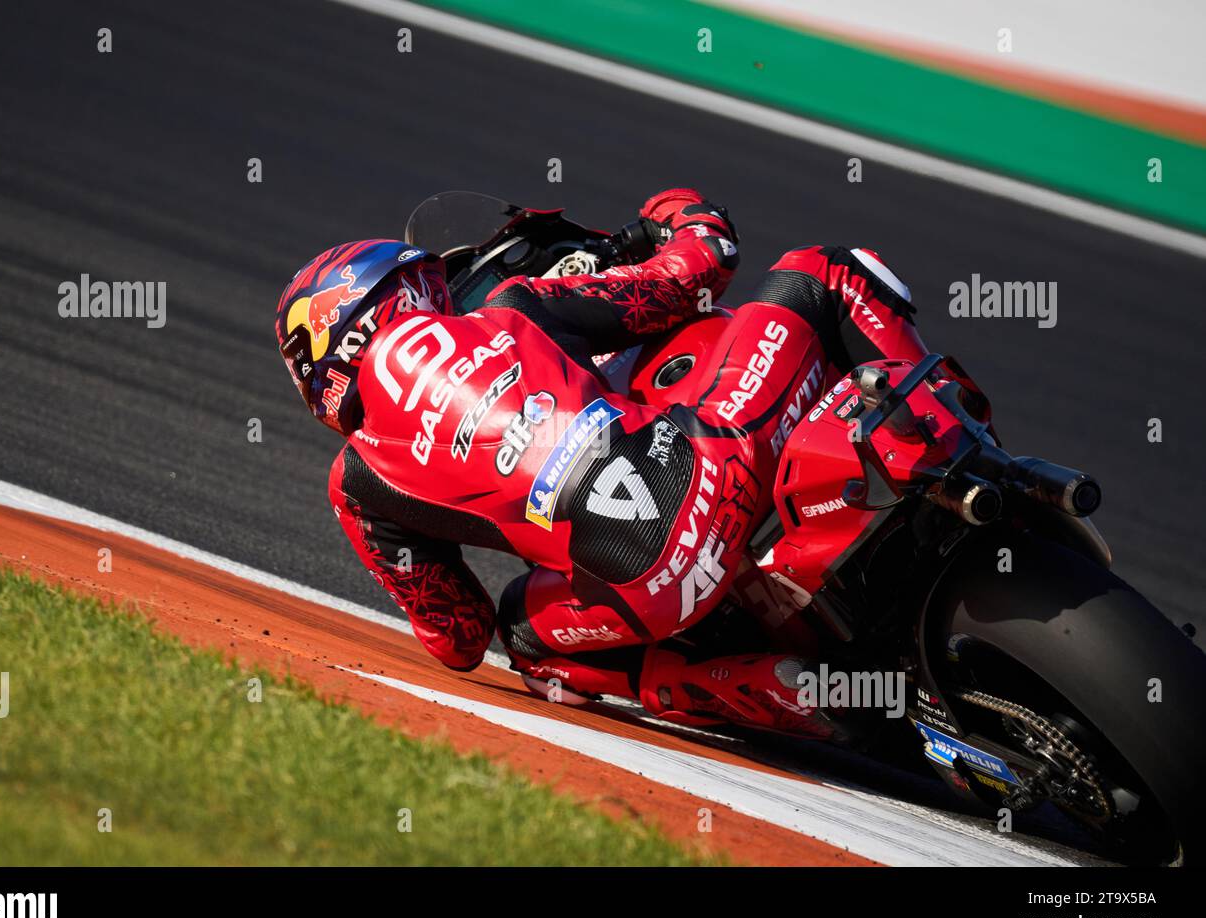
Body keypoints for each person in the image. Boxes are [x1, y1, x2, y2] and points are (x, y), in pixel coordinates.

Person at [275, 189, 928, 738]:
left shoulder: (356, 483)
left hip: (652, 593)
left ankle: (756, 683)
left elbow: (460, 635)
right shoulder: (513, 307)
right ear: (407, 290)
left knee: (522, 637)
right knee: (827, 269)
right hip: (718, 473)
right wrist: (676, 212)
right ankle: (928, 439)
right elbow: (699, 268)